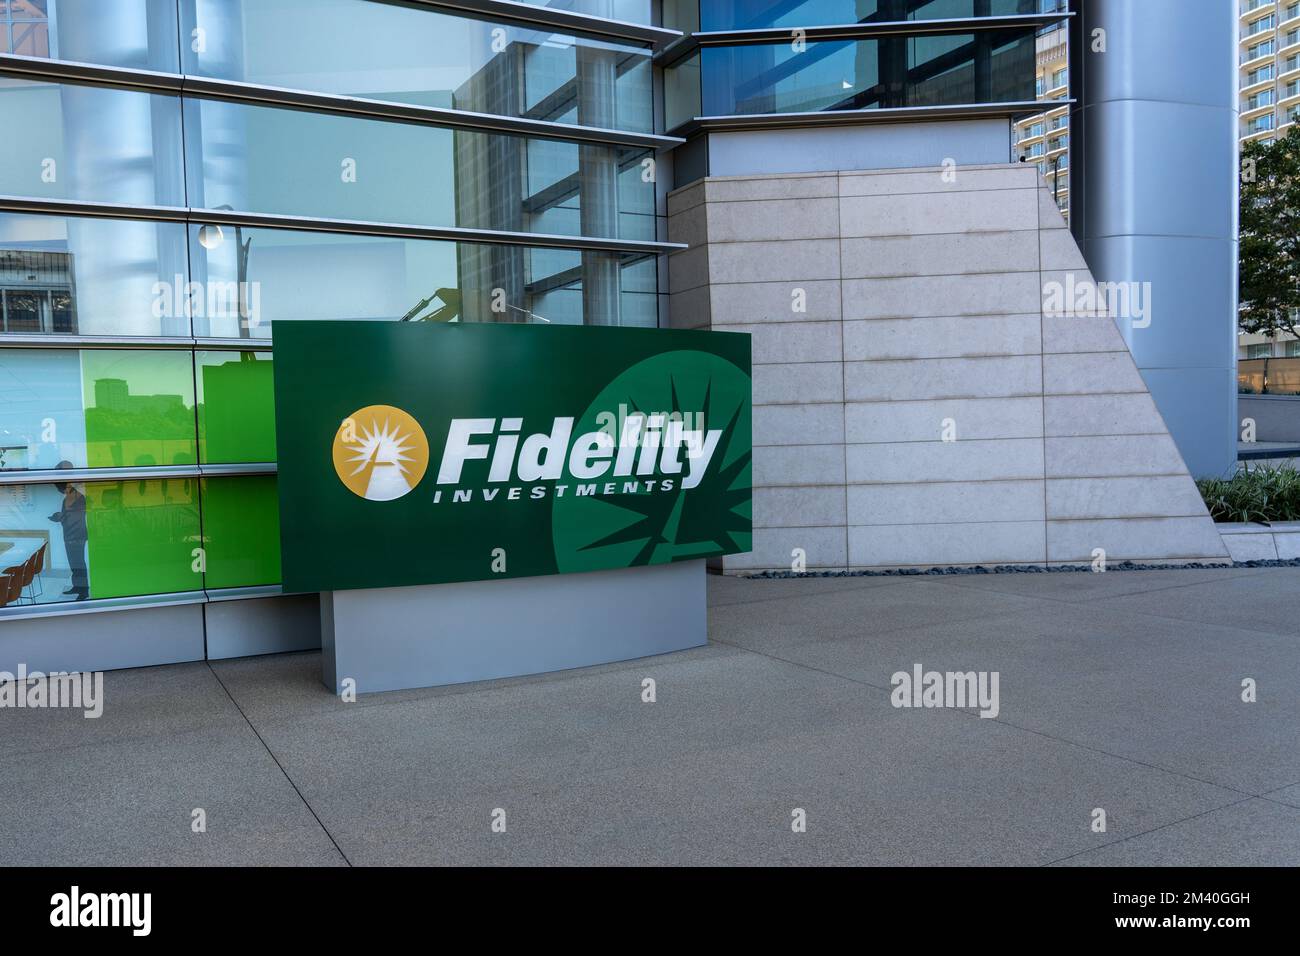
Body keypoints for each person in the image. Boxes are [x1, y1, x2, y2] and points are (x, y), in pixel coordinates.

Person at [47, 460, 88, 601]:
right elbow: (71, 516)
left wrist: (60, 517)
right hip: (71, 536)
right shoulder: (69, 497)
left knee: (78, 564)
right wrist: (60, 517)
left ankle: (84, 591)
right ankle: (78, 586)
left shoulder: (77, 497)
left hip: (76, 536)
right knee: (74, 564)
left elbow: (76, 518)